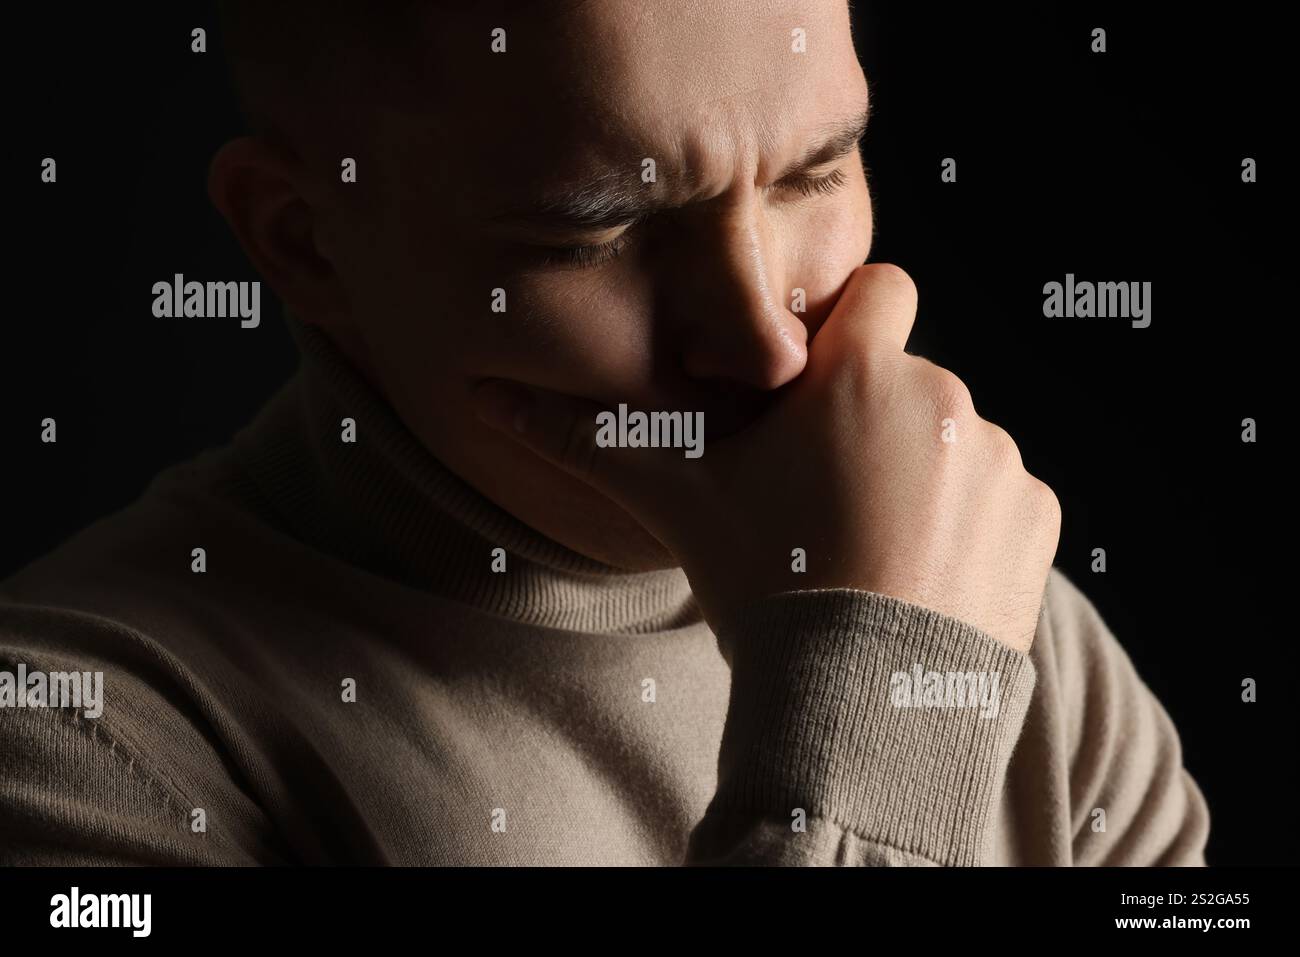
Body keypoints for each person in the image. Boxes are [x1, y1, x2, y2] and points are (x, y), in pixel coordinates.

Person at [0, 0, 1207, 865]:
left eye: (816, 171)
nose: (762, 343)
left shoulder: (983, 601)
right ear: (303, 241)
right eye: (599, 232)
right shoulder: (76, 740)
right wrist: (870, 734)